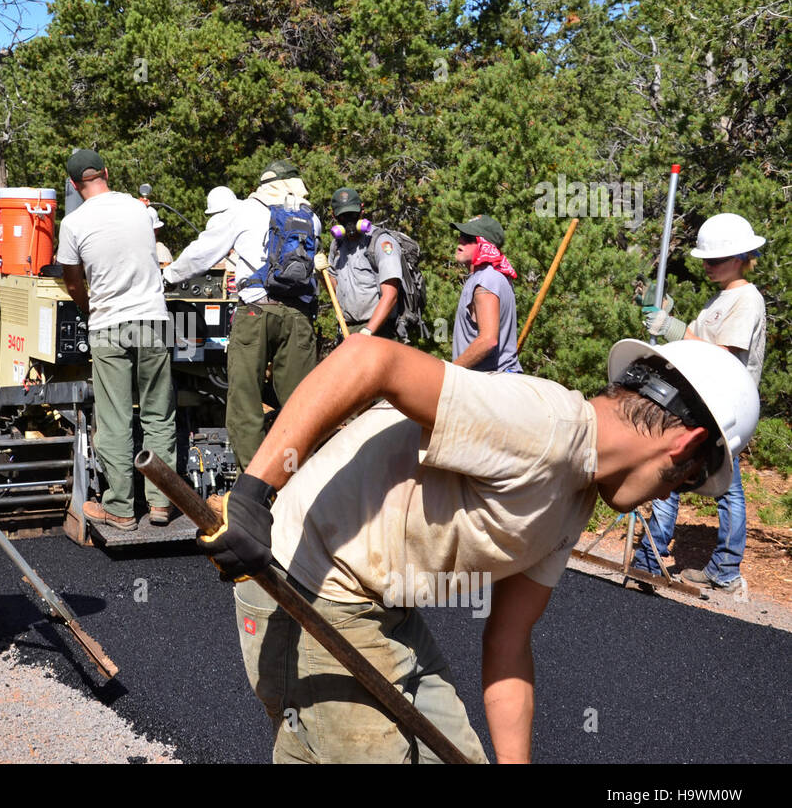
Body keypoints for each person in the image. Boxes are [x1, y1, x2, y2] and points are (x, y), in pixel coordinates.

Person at [203, 333, 758, 763]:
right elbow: (368, 357)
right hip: (305, 580)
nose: (665, 496)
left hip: (382, 608)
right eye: (683, 483)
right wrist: (253, 496)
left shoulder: (575, 496)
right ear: (687, 444)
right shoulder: (542, 425)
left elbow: (511, 639)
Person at [633, 212, 767, 593]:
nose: (706, 266)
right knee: (673, 473)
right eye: (704, 260)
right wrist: (669, 322)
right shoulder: (720, 298)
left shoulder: (747, 299)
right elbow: (697, 341)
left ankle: (721, 570)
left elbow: (722, 356)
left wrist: (672, 330)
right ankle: (653, 561)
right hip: (698, 399)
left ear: (740, 257)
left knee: (725, 490)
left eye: (714, 260)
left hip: (725, 405)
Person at [163, 162, 320, 470]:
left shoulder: (245, 211)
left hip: (256, 310)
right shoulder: (310, 218)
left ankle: (254, 478)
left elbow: (203, 252)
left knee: (244, 400)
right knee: (301, 403)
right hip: (299, 316)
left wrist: (169, 275)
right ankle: (301, 474)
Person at [57, 149, 177, 530]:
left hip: (108, 323)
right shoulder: (141, 209)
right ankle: (161, 503)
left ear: (75, 185)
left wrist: (87, 305)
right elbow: (152, 239)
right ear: (107, 172)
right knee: (158, 413)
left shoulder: (73, 223)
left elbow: (72, 279)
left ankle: (122, 509)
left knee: (115, 417)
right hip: (153, 320)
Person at [326, 187, 402, 338]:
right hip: (347, 329)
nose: (349, 220)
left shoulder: (380, 242)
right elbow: (335, 290)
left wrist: (368, 331)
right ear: (334, 216)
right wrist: (322, 274)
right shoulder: (336, 245)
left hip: (378, 330)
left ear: (362, 210)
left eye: (353, 214)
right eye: (343, 216)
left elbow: (391, 295)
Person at [450, 214, 521, 373]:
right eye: (461, 236)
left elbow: (488, 340)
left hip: (490, 382)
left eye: (468, 238)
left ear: (485, 245)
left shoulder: (487, 280)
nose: (460, 241)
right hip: (488, 380)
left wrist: (451, 373)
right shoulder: (487, 277)